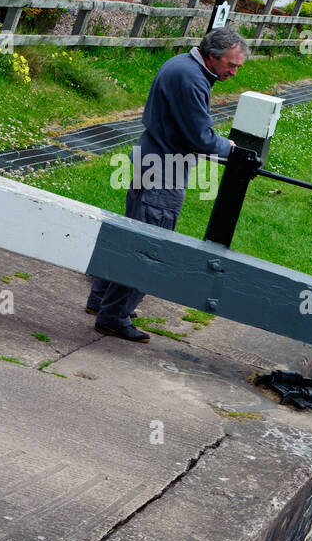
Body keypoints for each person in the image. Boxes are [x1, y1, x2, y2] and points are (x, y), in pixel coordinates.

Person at [87, 28, 247, 342]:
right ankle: (113, 317)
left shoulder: (181, 65)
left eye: (238, 66)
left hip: (148, 160)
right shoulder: (191, 78)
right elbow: (200, 137)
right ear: (212, 56)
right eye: (231, 64)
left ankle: (100, 299)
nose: (234, 71)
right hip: (164, 171)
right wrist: (230, 148)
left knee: (130, 237)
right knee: (147, 248)